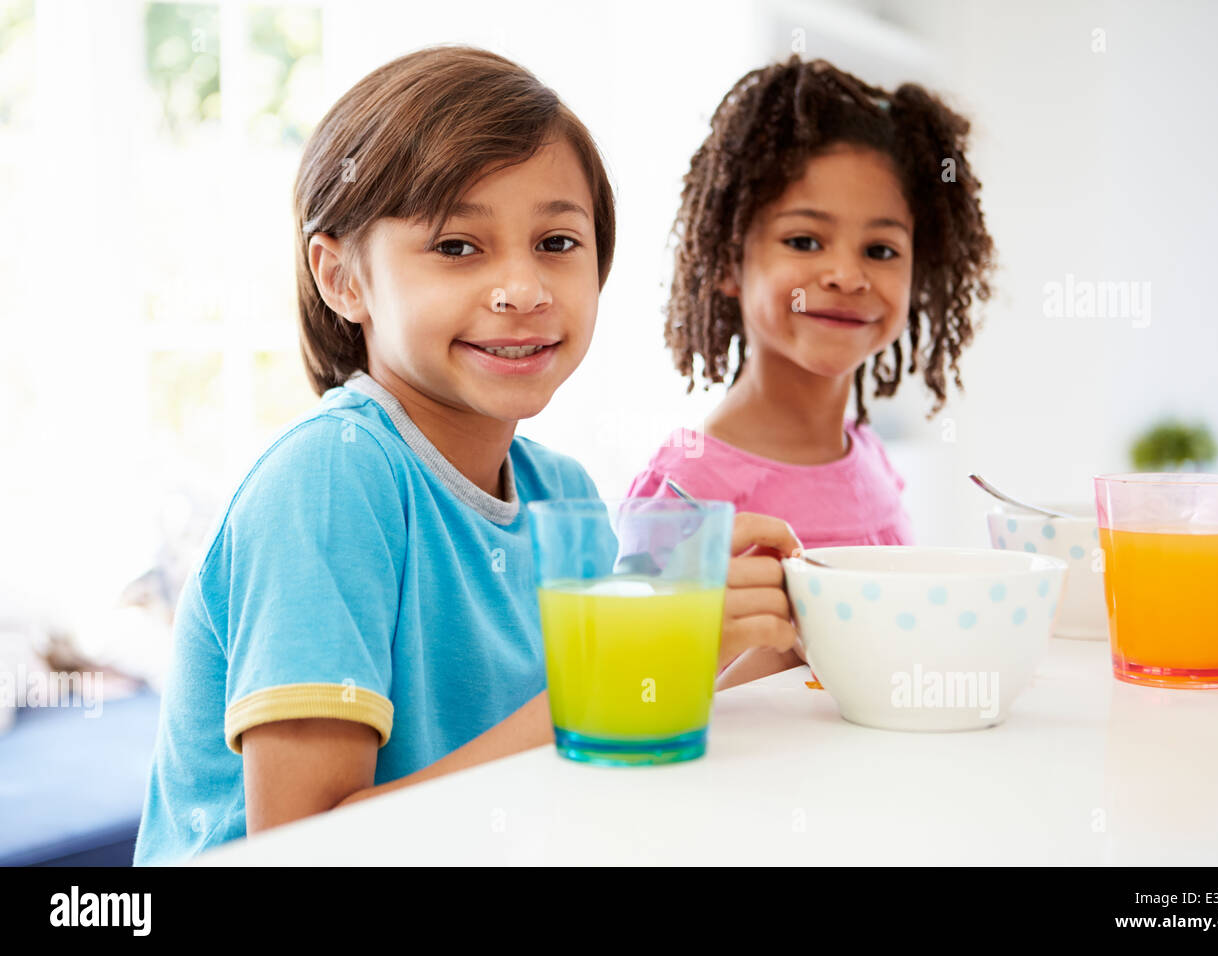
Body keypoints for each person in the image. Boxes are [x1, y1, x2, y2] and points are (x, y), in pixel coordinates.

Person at [133, 46, 800, 865]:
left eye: (557, 241)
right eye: (456, 246)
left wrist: (747, 643)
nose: (523, 288)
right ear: (342, 278)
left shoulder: (563, 494)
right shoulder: (331, 479)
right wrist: (620, 676)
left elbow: (586, 748)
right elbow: (306, 846)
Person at [628, 56, 997, 686]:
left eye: (880, 250)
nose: (847, 276)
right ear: (725, 263)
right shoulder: (685, 487)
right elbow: (638, 690)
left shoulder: (872, 461)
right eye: (804, 241)